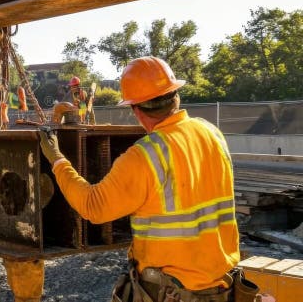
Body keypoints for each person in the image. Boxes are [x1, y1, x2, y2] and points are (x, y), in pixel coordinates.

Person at [38, 57, 248, 302]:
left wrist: (57, 159)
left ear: (135, 110)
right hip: (223, 288)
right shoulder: (211, 132)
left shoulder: (146, 155)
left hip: (174, 293)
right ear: (176, 96)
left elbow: (93, 206)